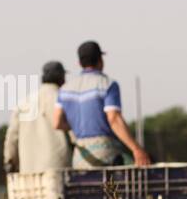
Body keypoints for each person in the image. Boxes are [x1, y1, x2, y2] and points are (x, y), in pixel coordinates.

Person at [53, 40, 151, 168]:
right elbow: (114, 118)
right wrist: (136, 149)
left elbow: (57, 123)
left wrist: (79, 126)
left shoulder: (64, 89)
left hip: (80, 155)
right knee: (110, 187)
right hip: (105, 152)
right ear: (100, 60)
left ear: (79, 63)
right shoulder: (107, 84)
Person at [4, 60, 72, 173]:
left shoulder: (24, 102)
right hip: (57, 169)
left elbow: (12, 137)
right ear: (62, 78)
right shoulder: (62, 100)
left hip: (28, 169)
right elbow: (74, 134)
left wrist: (10, 161)